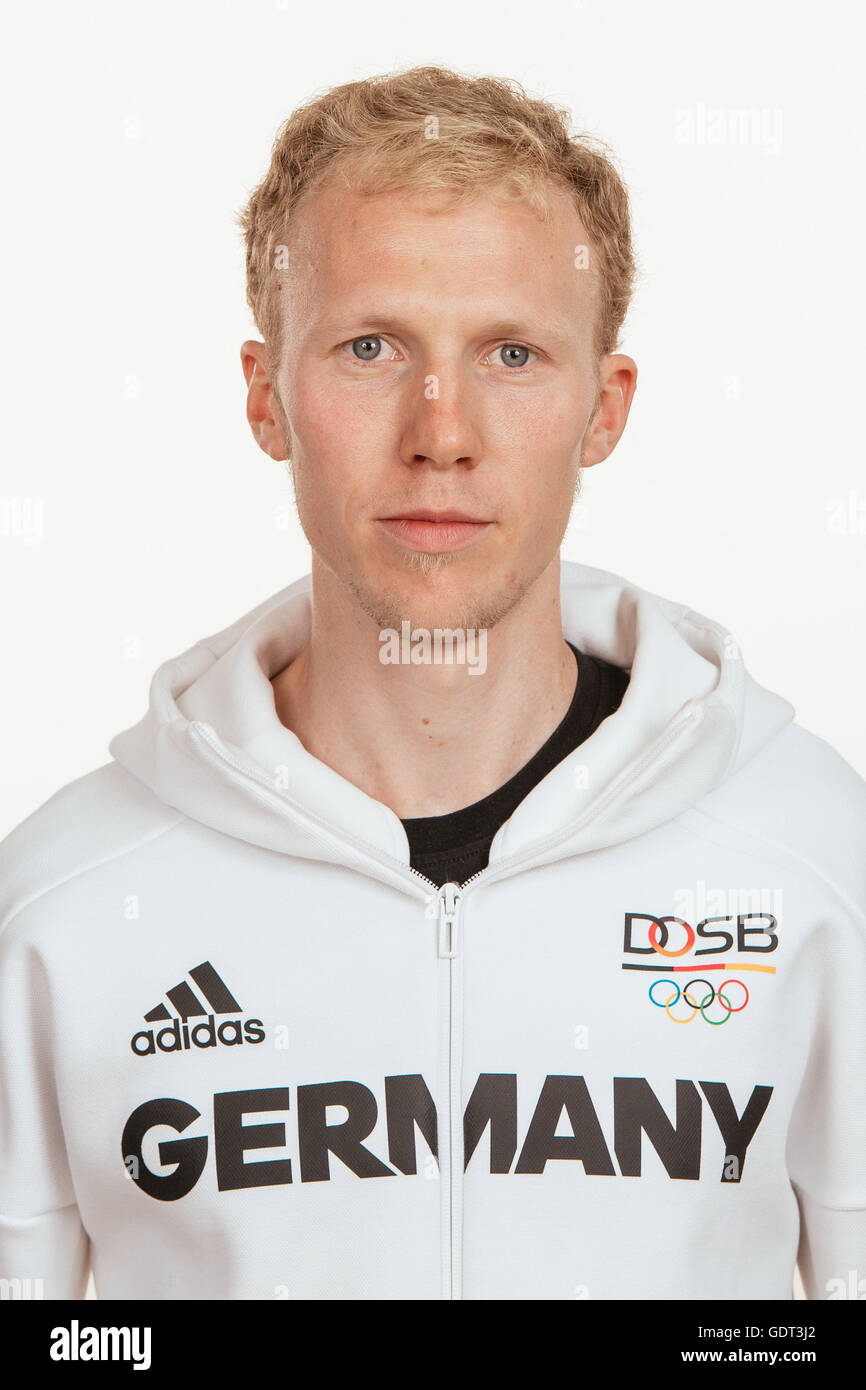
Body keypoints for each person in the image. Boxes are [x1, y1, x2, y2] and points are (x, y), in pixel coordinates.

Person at [1, 65, 864, 1302]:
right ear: (265, 396)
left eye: (510, 353)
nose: (440, 428)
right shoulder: (60, 911)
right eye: (369, 347)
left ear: (602, 408)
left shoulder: (813, 863)